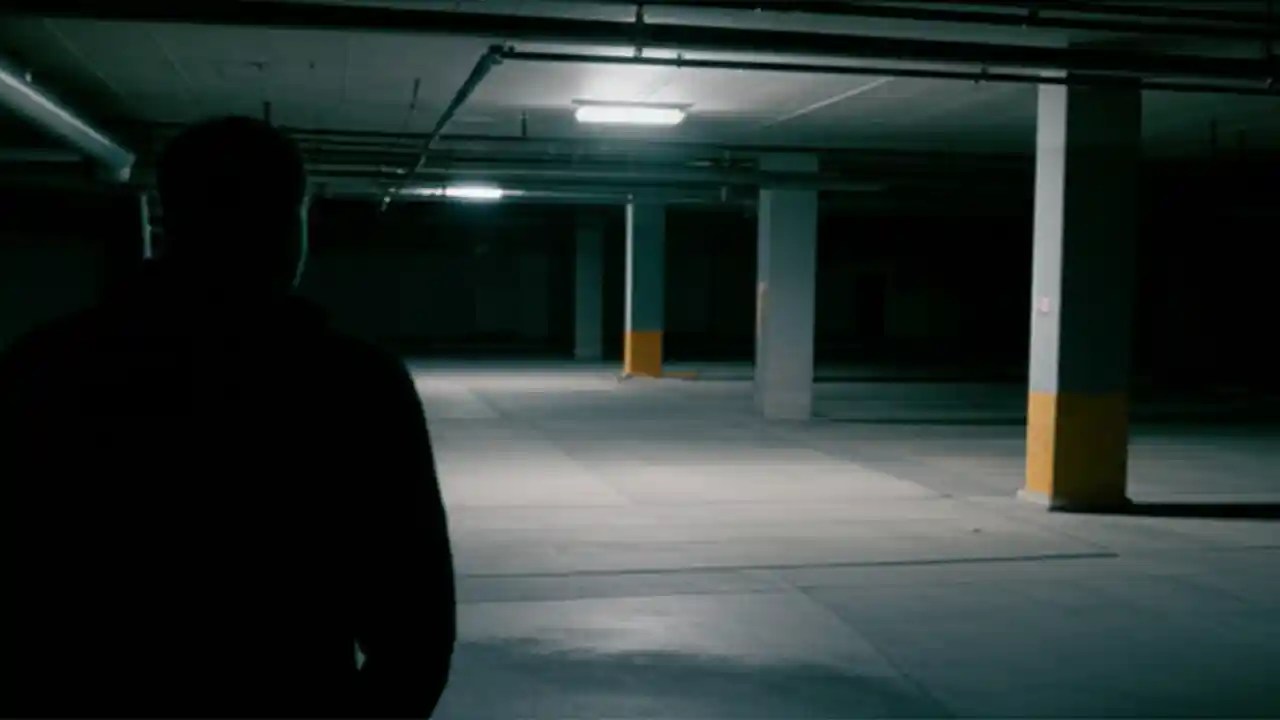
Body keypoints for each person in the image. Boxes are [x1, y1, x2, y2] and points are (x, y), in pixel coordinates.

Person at [0, 117, 455, 718]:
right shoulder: (352, 385)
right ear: (292, 222)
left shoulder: (42, 368)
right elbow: (414, 631)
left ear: (172, 217)